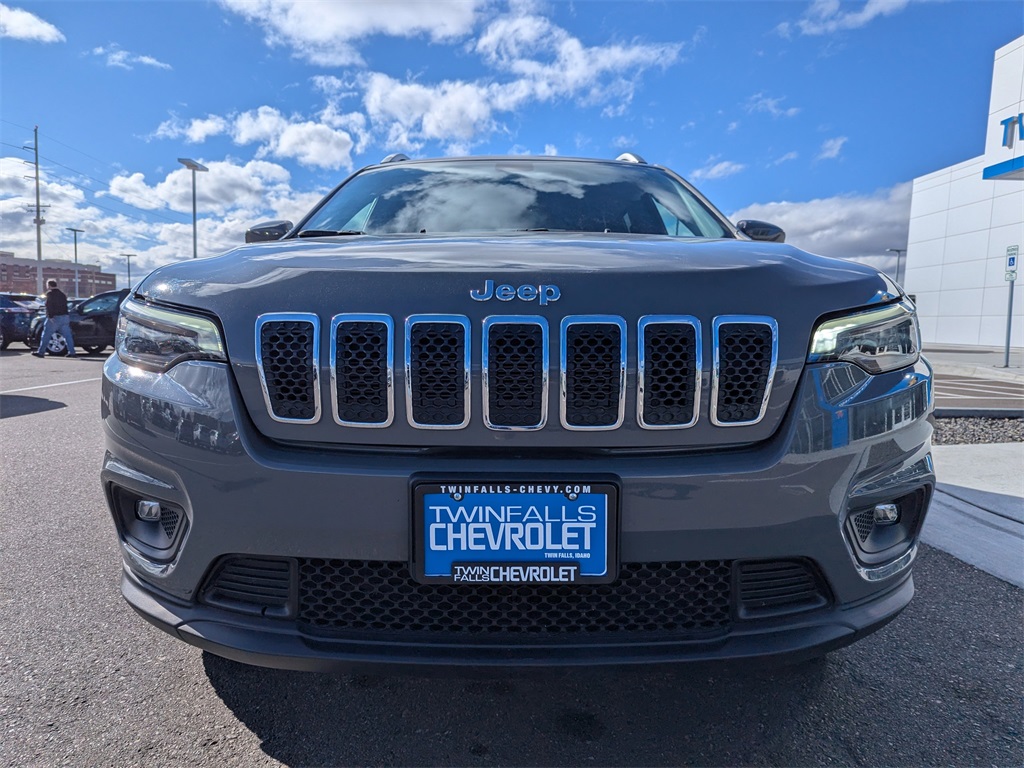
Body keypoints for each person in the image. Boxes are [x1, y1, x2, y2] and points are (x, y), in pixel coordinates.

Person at [33, 279, 77, 358]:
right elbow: (65, 306)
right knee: (67, 336)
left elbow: (49, 306)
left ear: (49, 285)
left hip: (55, 318)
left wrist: (50, 316)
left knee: (46, 335)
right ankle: (72, 352)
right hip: (65, 317)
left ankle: (41, 352)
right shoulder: (62, 294)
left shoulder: (50, 294)